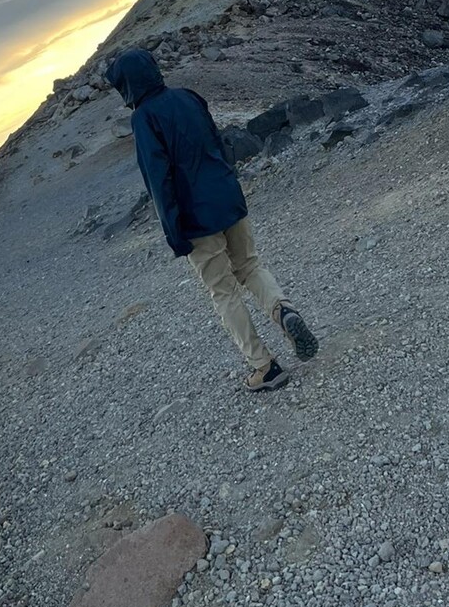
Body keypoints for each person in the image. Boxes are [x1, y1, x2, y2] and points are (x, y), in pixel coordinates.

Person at [104, 46, 318, 391]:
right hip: (227, 197)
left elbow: (159, 180)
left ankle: (265, 367)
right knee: (249, 266)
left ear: (127, 85)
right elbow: (218, 144)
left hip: (196, 217)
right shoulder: (188, 97)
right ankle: (283, 311)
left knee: (223, 291)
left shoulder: (143, 118)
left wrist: (174, 232)